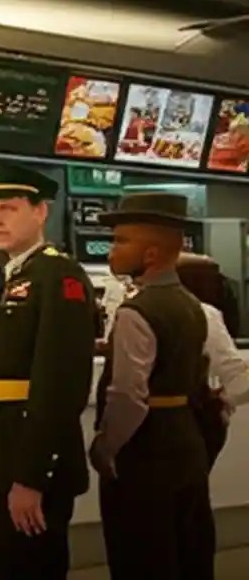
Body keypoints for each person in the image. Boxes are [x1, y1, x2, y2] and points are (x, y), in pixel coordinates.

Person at [0, 159, 96, 580]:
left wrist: (31, 476)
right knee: (10, 562)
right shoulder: (19, 273)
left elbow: (60, 383)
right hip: (5, 443)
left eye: (9, 207)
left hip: (30, 453)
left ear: (40, 211)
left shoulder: (57, 274)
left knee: (31, 566)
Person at [90, 194, 215, 580]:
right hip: (186, 443)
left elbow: (128, 394)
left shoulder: (137, 311)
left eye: (121, 241)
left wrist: (106, 446)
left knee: (142, 555)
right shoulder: (191, 304)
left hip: (145, 453)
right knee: (186, 552)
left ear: (150, 254)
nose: (112, 250)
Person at [176, 253, 249, 466]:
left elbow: (238, 376)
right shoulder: (204, 313)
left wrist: (219, 401)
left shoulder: (203, 314)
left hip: (191, 421)